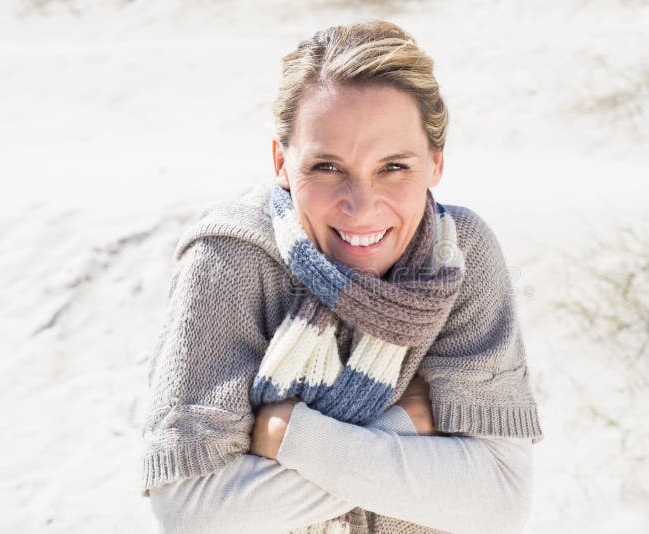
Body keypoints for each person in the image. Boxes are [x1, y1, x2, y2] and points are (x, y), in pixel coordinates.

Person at [140, 19, 544, 534]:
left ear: (435, 163)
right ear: (281, 162)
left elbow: (500, 500)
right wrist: (409, 425)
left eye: (393, 167)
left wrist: (291, 436)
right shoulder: (231, 256)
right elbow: (195, 513)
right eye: (327, 167)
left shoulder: (459, 256)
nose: (360, 206)